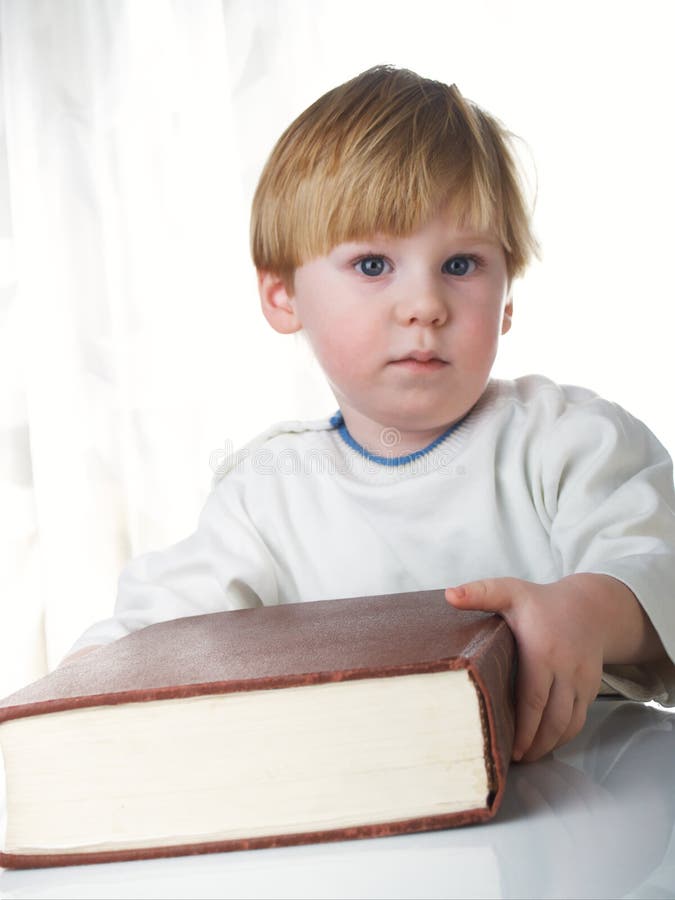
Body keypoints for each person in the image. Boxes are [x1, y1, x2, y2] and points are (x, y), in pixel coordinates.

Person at [62, 65, 675, 763]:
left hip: (595, 804)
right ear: (283, 296)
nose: (424, 304)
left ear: (507, 296)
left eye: (461, 265)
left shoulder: (569, 441)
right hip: (369, 822)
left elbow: (655, 557)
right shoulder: (267, 494)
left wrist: (586, 611)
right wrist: (75, 692)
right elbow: (155, 624)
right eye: (374, 265)